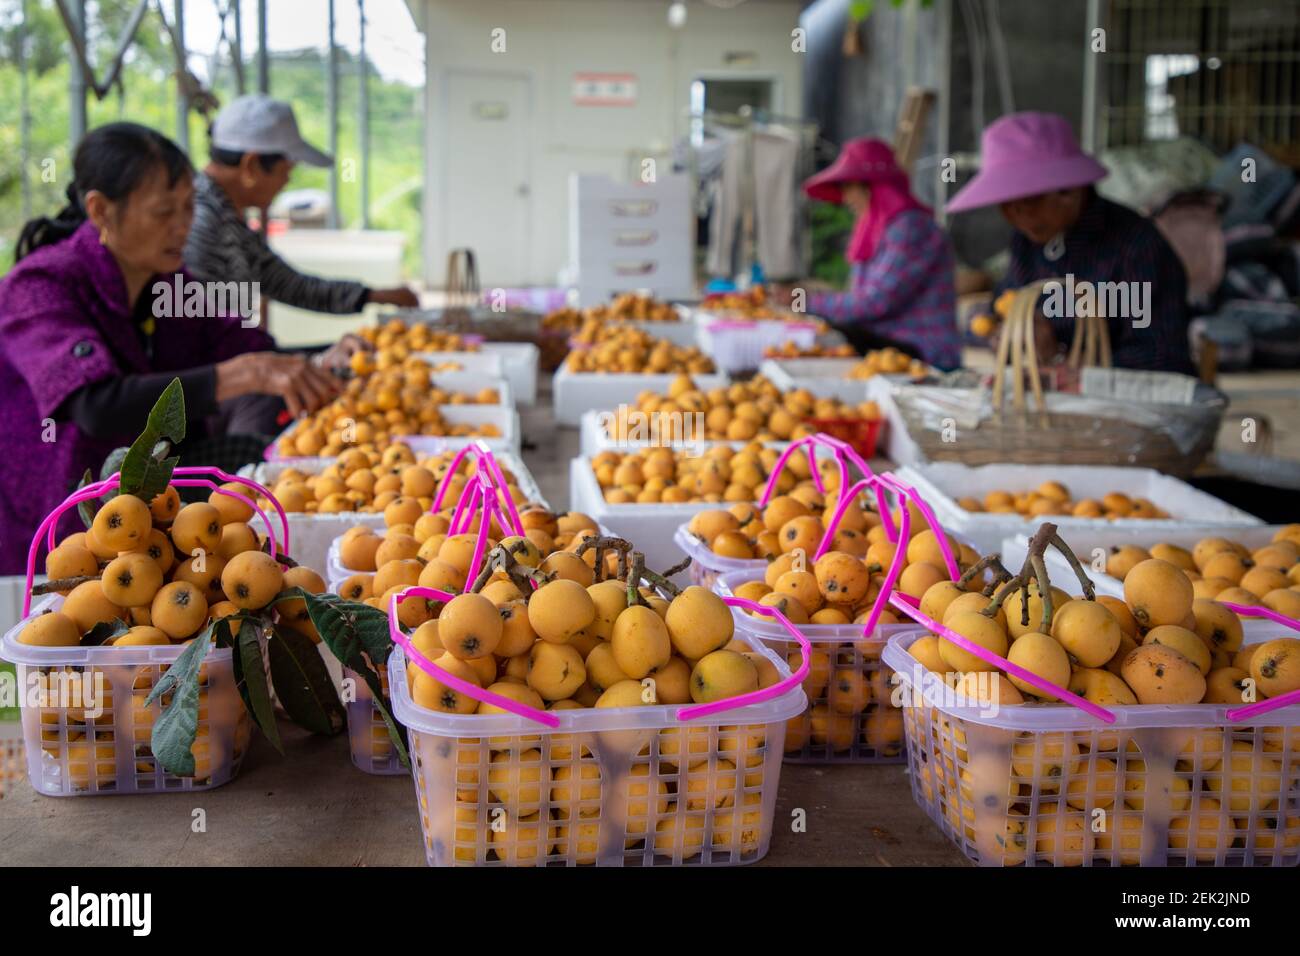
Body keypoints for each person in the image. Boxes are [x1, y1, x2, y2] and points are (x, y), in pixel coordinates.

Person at [0, 122, 345, 574]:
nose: (183, 227)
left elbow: (250, 347)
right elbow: (95, 403)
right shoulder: (41, 286)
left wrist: (330, 355)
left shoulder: (169, 287)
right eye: (164, 212)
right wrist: (242, 374)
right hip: (52, 524)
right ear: (101, 210)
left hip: (141, 522)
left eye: (188, 208)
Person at [947, 111, 1194, 374]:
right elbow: (1005, 301)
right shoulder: (1028, 241)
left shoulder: (1137, 248)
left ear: (1071, 190)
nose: (1018, 216)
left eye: (1030, 201)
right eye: (1006, 204)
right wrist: (1000, 333)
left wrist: (1062, 360)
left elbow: (1163, 356)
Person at [185, 94, 419, 318]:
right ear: (252, 165)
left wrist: (373, 295)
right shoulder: (200, 222)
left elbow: (282, 281)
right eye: (286, 171)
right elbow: (202, 332)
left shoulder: (226, 215)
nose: (286, 183)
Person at [771, 138, 960, 369]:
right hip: (885, 340)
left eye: (849, 187)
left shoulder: (910, 228)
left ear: (871, 186)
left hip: (921, 350)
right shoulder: (881, 227)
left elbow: (874, 303)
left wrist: (804, 300)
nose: (845, 198)